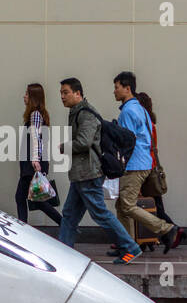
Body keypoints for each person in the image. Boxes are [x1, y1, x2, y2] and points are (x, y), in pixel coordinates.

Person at [57, 78, 141, 264]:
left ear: (77, 93)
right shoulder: (77, 111)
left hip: (89, 173)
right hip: (81, 173)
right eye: (61, 93)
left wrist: (64, 147)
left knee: (99, 213)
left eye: (65, 92)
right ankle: (63, 252)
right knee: (70, 214)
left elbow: (84, 142)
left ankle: (130, 247)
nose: (62, 96)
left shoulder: (86, 114)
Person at [111, 73, 184, 252]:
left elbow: (126, 141)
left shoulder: (128, 111)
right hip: (144, 162)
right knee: (122, 205)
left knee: (126, 205)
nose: (114, 91)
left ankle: (166, 228)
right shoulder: (140, 109)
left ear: (127, 89)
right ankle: (127, 246)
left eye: (117, 87)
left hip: (133, 165)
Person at [16, 83, 63, 227]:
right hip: (33, 162)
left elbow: (36, 137)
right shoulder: (35, 114)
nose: (24, 96)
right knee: (37, 200)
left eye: (26, 94)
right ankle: (65, 225)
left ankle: (22, 229)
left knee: (22, 197)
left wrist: (35, 159)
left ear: (33, 98)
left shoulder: (35, 114)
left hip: (33, 163)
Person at [134, 92, 175, 226]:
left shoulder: (146, 124)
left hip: (146, 166)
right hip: (151, 165)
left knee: (153, 206)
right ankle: (171, 231)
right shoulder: (150, 123)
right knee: (156, 205)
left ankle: (173, 230)